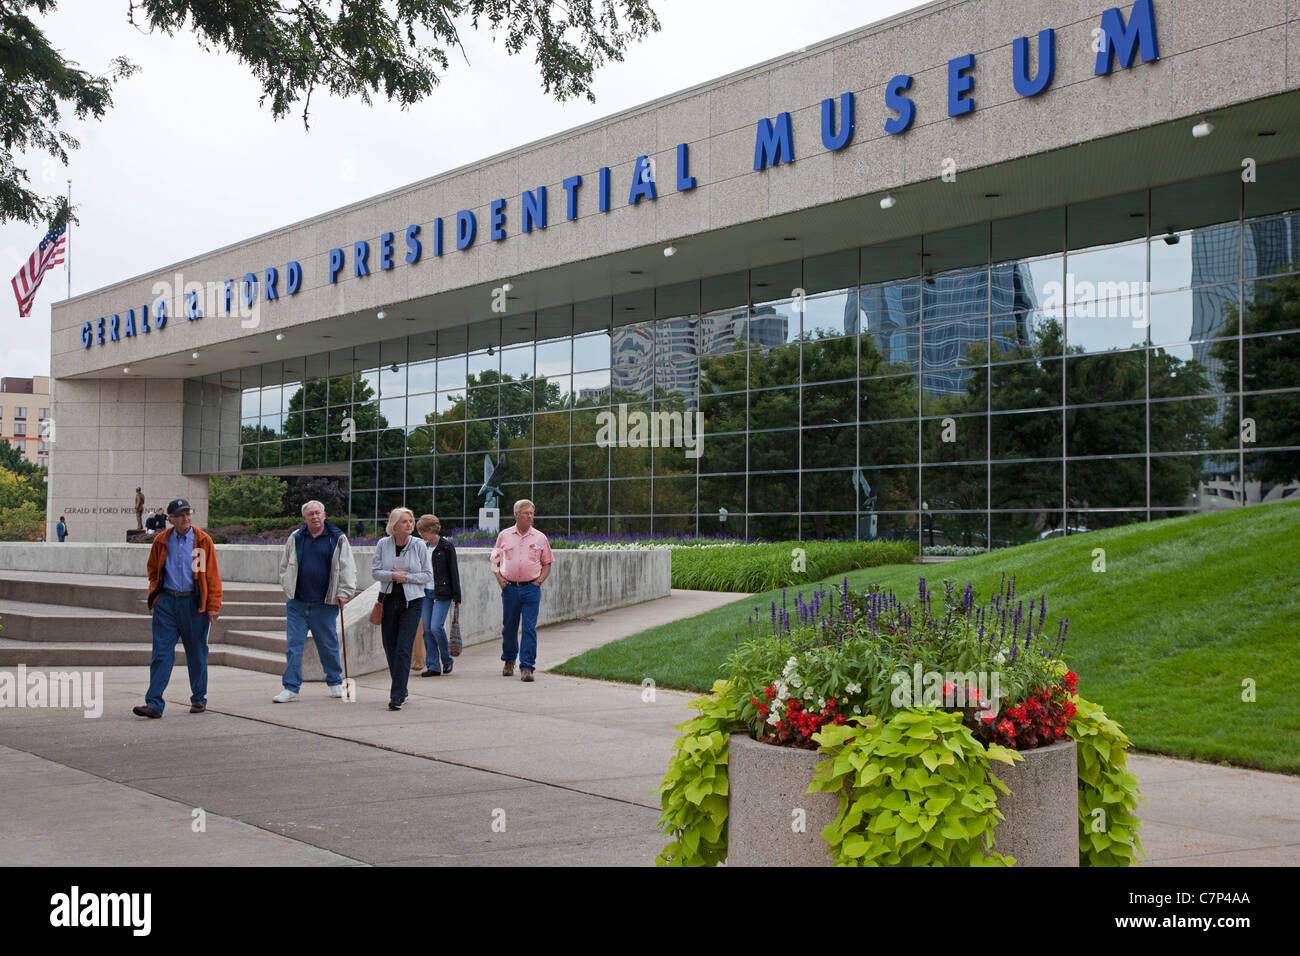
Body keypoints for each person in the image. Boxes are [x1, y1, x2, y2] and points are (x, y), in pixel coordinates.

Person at [133, 498, 222, 718]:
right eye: (181, 515)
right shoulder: (161, 541)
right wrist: (155, 596)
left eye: (188, 514)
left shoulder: (202, 541)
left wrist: (213, 605)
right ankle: (154, 703)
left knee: (197, 653)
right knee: (161, 653)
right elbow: (153, 571)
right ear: (171, 519)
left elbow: (211, 576)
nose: (186, 518)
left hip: (194, 604)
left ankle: (199, 699)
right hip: (167, 603)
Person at [273, 500, 358, 703]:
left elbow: (348, 567)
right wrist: (287, 586)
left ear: (324, 515)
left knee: (328, 644)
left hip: (325, 603)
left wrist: (345, 592)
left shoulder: (337, 538)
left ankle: (335, 682)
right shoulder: (296, 538)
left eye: (318, 513)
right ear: (304, 518)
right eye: (310, 514)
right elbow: (285, 565)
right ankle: (291, 687)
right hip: (298, 602)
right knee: (294, 645)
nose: (314, 517)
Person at [371, 507, 432, 710]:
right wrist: (392, 575)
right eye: (404, 521)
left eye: (411, 521)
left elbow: (427, 575)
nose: (409, 524)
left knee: (403, 648)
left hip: (412, 602)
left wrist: (407, 578)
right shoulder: (383, 544)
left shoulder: (419, 546)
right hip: (388, 600)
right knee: (390, 647)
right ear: (394, 525)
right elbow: (375, 572)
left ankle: (396, 695)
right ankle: (402, 688)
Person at [490, 499, 553, 682]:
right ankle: (509, 661)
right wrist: (500, 580)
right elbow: (495, 560)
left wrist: (539, 581)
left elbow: (547, 563)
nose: (530, 516)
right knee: (509, 628)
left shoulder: (540, 537)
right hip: (510, 589)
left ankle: (527, 667)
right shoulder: (504, 535)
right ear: (517, 515)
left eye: (532, 513)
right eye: (526, 513)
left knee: (529, 628)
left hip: (531, 589)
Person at [416, 514, 461, 677]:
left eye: (422, 531)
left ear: (431, 530)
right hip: (424, 593)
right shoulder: (422, 547)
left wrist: (457, 597)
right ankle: (433, 666)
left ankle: (446, 659)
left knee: (436, 627)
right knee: (427, 630)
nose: (420, 534)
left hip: (442, 593)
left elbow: (453, 572)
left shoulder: (446, 546)